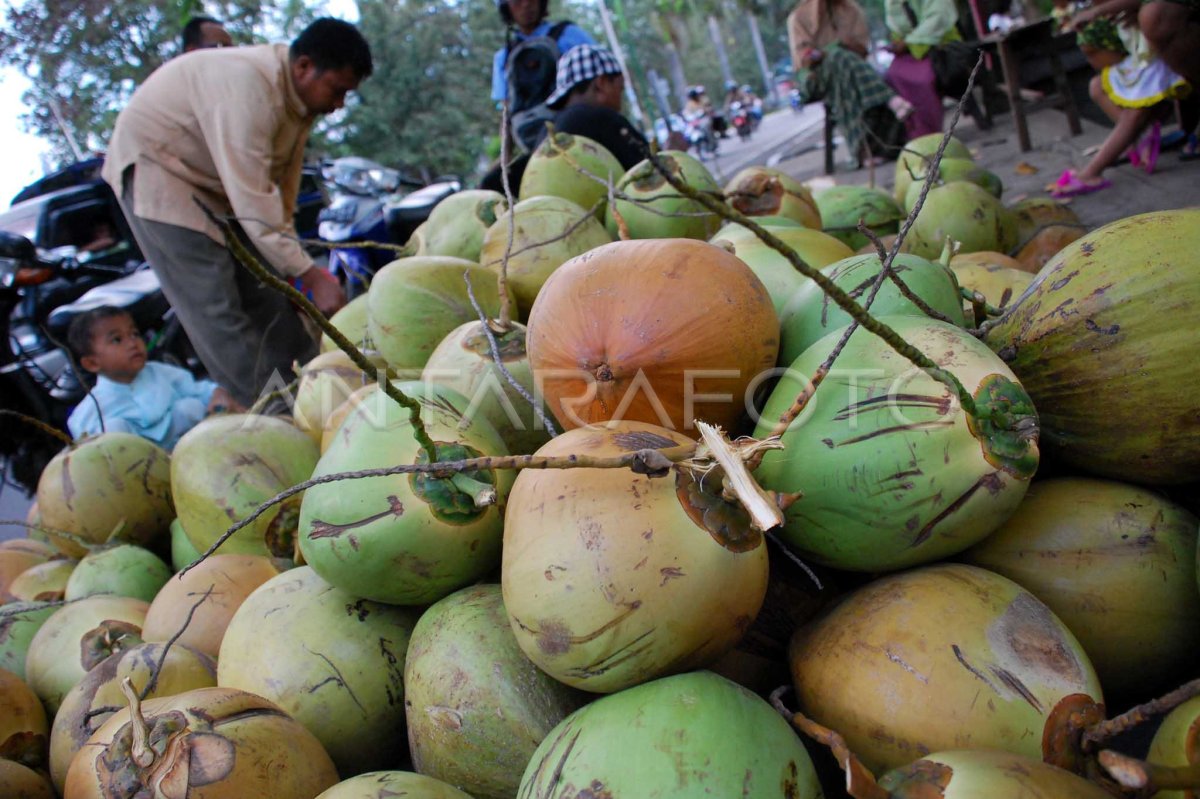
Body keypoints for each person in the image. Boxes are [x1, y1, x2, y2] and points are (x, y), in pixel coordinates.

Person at [101, 18, 370, 409]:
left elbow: (279, 197)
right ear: (304, 67)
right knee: (216, 308)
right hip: (160, 174)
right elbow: (253, 198)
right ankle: (275, 414)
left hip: (219, 190)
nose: (339, 104)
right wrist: (308, 272)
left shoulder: (297, 106)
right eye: (337, 90)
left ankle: (323, 388)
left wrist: (293, 270)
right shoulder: (249, 88)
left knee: (268, 294)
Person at [478, 44, 650, 191]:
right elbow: (653, 170)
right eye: (620, 89)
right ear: (601, 84)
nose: (620, 102)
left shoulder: (546, 132)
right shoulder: (601, 119)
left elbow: (492, 182)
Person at [1047, 21, 1189, 195]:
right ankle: (1138, 137)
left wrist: (1094, 14)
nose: (1089, 61)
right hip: (1133, 57)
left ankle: (1091, 173)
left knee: (1133, 114)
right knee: (1096, 85)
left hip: (1150, 62)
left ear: (1112, 47)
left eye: (1092, 54)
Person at [66, 306, 235, 450]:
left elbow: (206, 391)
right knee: (113, 431)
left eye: (134, 334)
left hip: (194, 450)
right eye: (117, 339)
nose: (133, 343)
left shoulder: (162, 373)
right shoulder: (89, 411)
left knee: (190, 407)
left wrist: (219, 397)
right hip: (141, 472)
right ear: (92, 363)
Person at [788, 0, 910, 164]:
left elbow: (862, 50)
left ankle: (873, 149)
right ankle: (890, 99)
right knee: (838, 56)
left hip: (852, 72)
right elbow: (804, 60)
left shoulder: (851, 11)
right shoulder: (798, 17)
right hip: (816, 79)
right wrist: (828, 52)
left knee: (845, 64)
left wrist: (844, 46)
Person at [885, 0, 961, 138]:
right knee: (892, 75)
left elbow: (939, 18)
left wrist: (910, 41)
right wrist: (898, 42)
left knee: (922, 80)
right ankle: (913, 133)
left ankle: (929, 132)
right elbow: (896, 25)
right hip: (911, 52)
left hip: (940, 46)